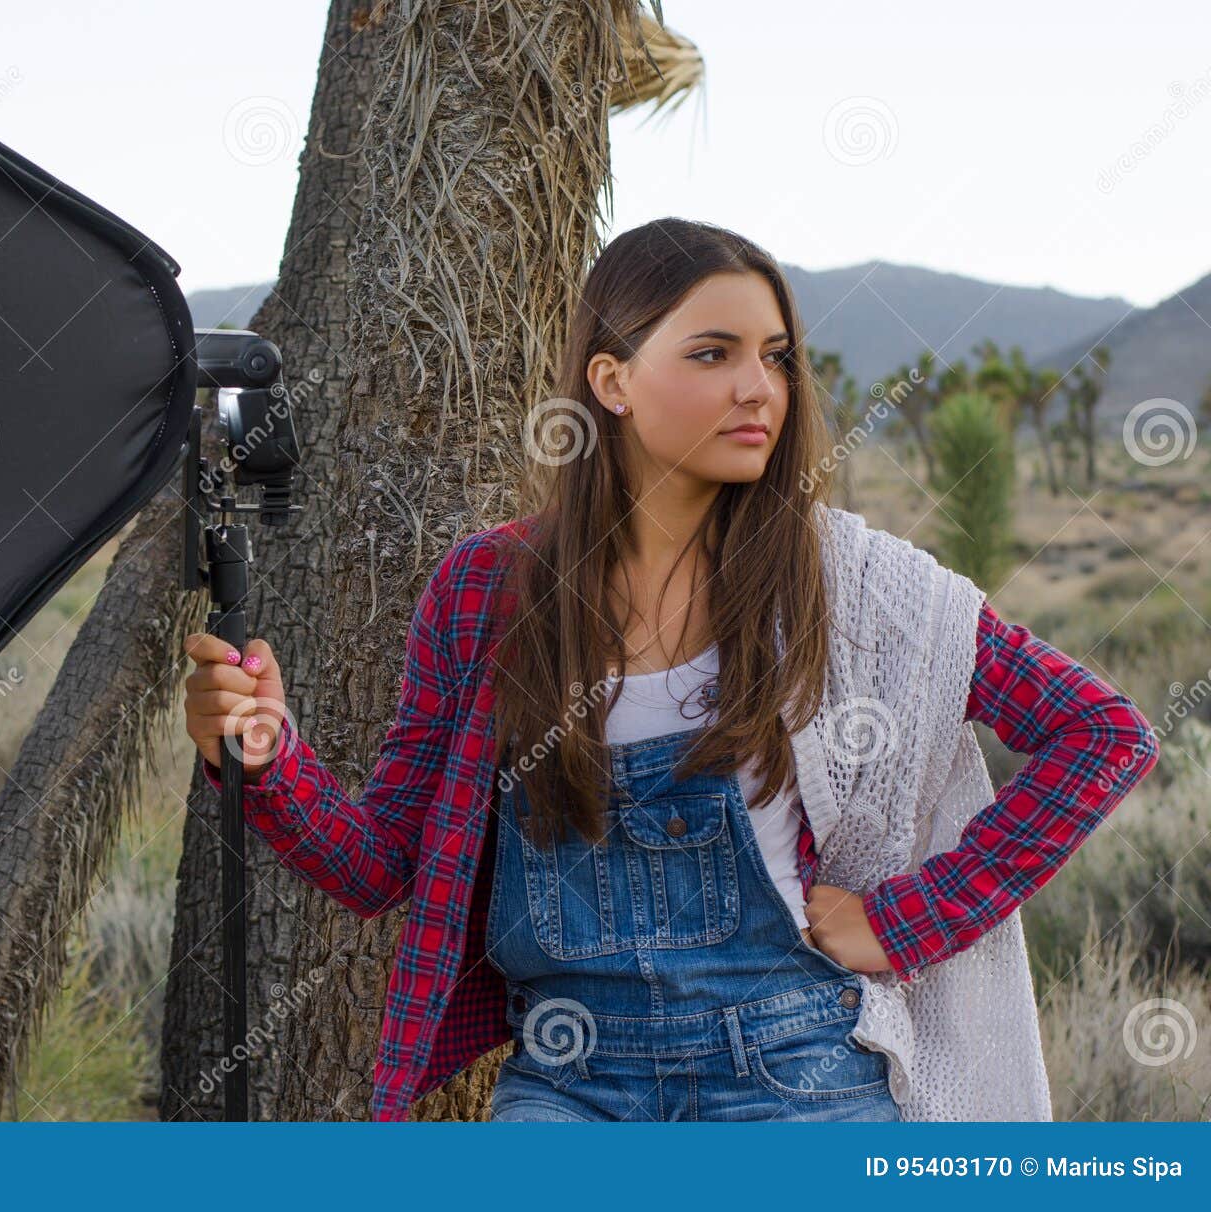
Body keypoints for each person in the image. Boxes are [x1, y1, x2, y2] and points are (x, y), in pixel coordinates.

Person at [181, 217, 1160, 1122]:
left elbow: (1104, 735)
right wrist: (265, 761)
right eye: (712, 354)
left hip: (797, 1073)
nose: (759, 388)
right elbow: (382, 865)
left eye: (776, 358)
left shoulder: (855, 589)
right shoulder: (487, 592)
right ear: (611, 381)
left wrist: (908, 920)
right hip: (570, 1083)